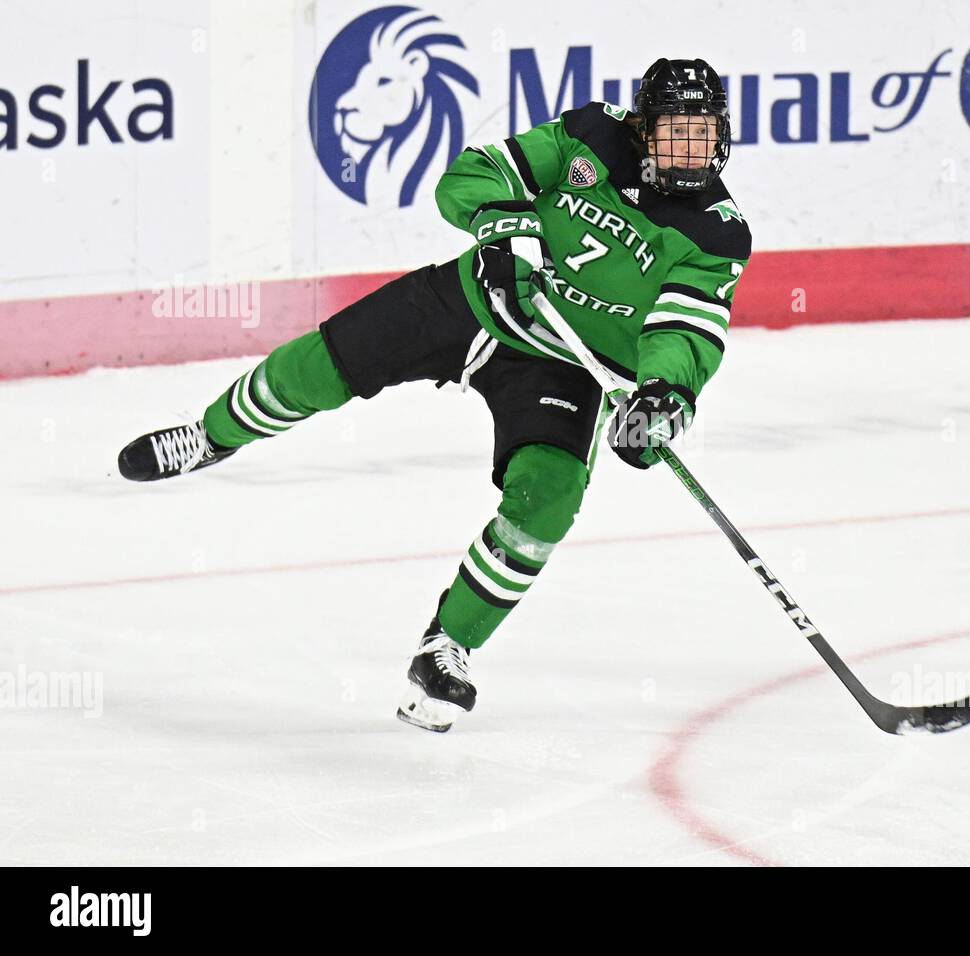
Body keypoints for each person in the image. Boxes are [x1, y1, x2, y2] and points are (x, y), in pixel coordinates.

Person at [117, 57, 752, 732]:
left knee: (549, 497)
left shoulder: (717, 234)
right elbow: (474, 174)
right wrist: (510, 228)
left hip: (566, 365)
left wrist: (662, 396)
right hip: (474, 301)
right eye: (675, 133)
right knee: (320, 365)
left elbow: (687, 330)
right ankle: (213, 435)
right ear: (642, 128)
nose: (690, 152)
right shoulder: (589, 135)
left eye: (703, 135)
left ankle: (447, 646)